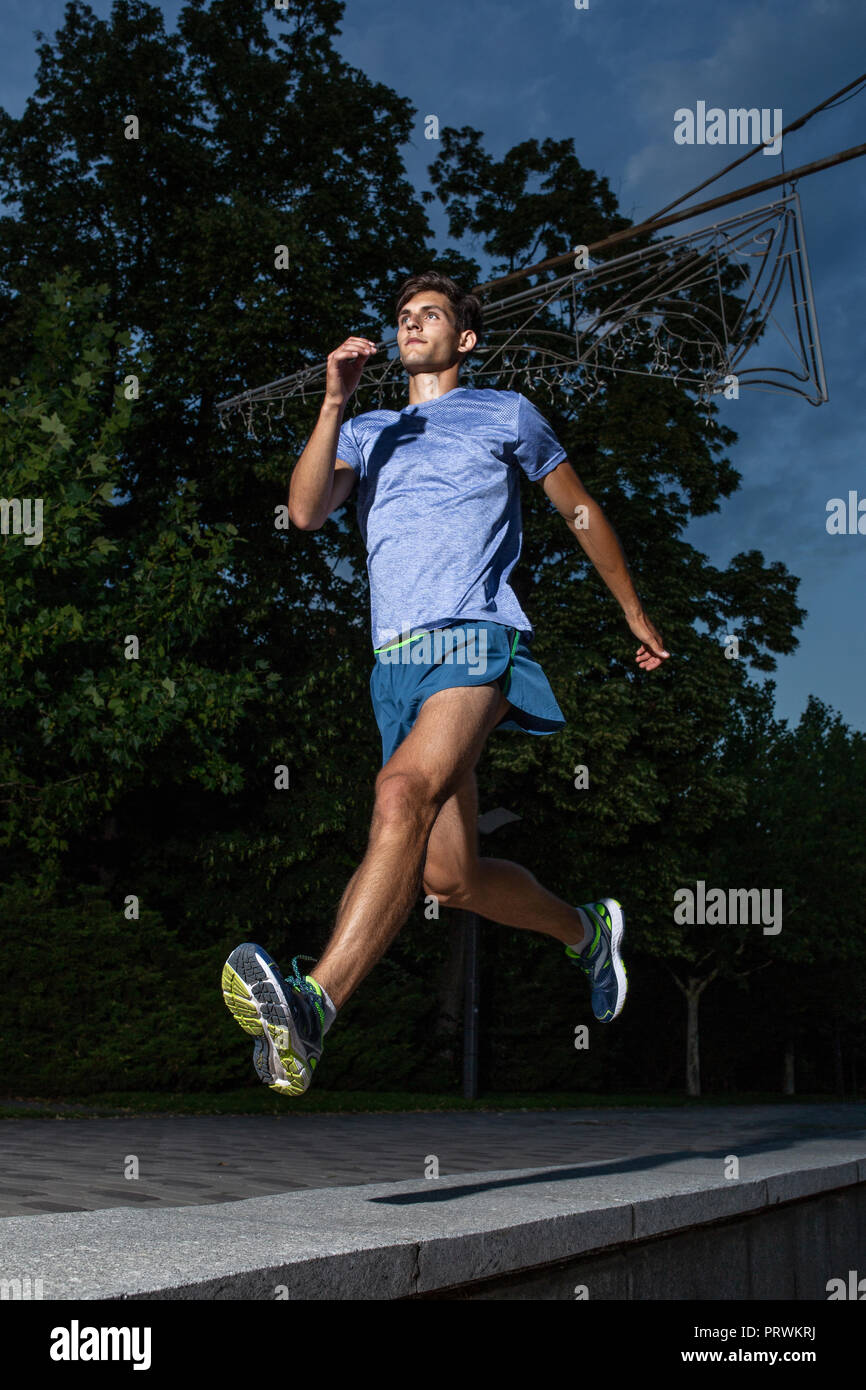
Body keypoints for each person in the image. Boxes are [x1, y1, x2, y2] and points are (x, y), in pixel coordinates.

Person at [222, 270, 670, 1095]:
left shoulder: (505, 413)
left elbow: (578, 511)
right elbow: (305, 512)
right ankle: (586, 931)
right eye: (402, 316)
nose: (411, 325)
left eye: (429, 315)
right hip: (394, 662)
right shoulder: (370, 430)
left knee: (399, 794)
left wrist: (632, 610)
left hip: (476, 637)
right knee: (449, 878)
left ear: (463, 339)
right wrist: (332, 404)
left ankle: (314, 1007)